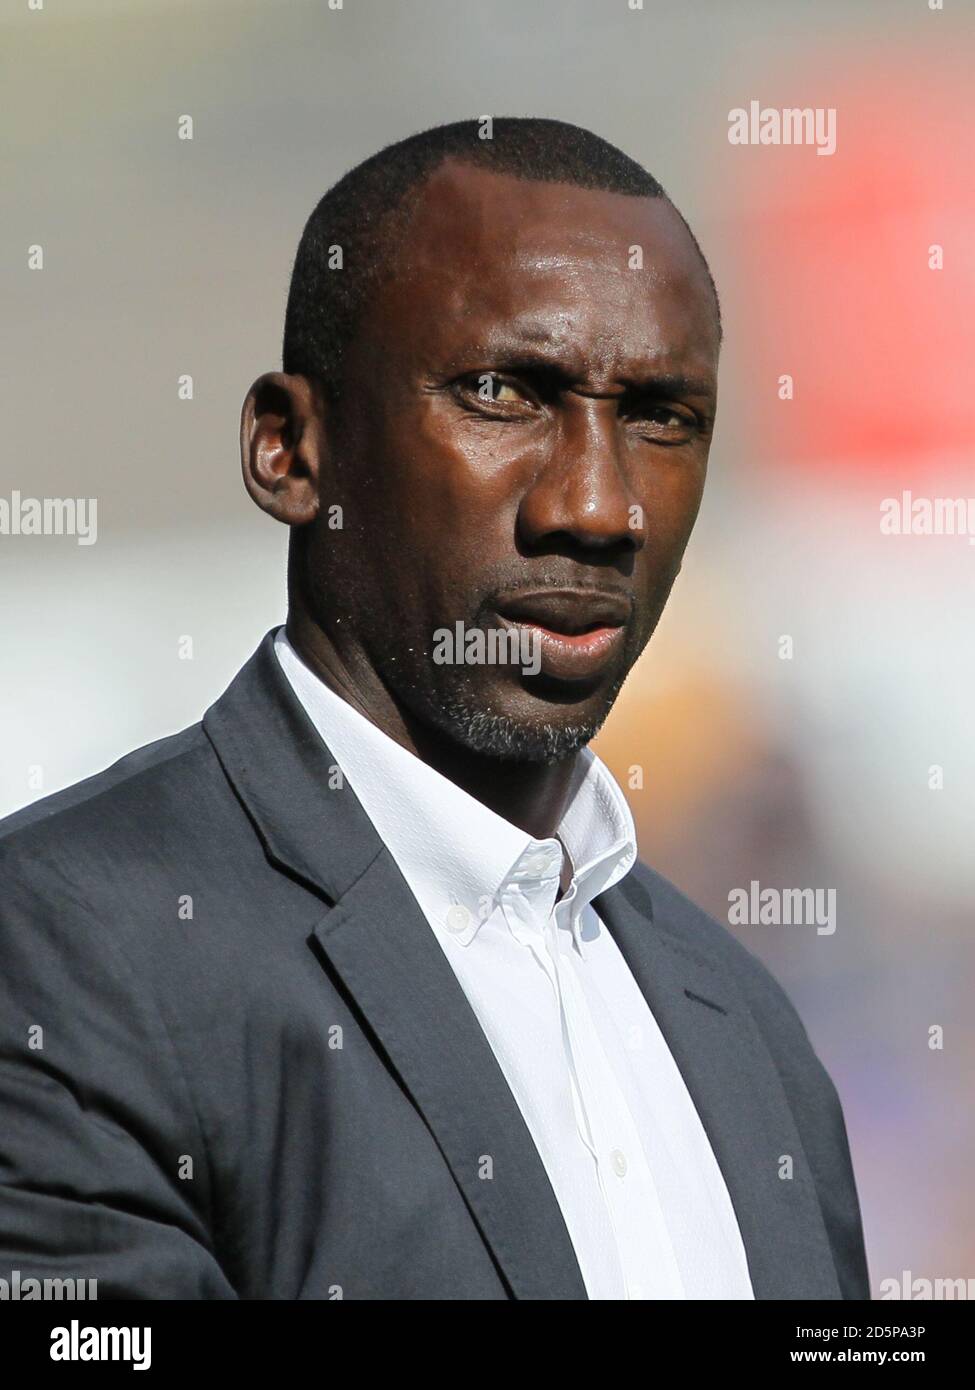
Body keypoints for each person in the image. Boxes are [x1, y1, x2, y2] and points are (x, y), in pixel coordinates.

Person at [0, 117, 869, 1300]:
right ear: (288, 450)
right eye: (505, 391)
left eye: (663, 416)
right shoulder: (65, 949)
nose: (600, 506)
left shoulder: (746, 1033)